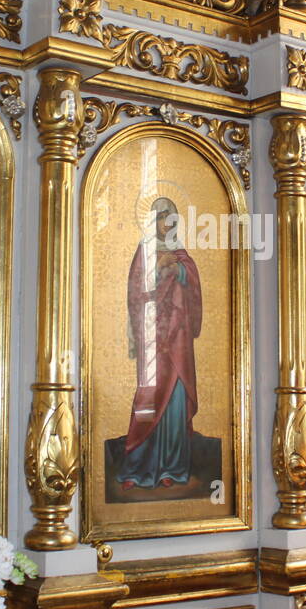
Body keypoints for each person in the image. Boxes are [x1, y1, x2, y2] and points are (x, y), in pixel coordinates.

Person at [120, 197, 202, 490]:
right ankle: (138, 467)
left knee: (176, 398)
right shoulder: (145, 250)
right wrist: (157, 269)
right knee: (150, 394)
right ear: (152, 222)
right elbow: (136, 291)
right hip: (153, 336)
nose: (166, 224)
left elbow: (193, 285)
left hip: (178, 338)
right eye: (160, 218)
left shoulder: (180, 252)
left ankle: (172, 467)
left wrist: (178, 270)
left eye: (170, 219)